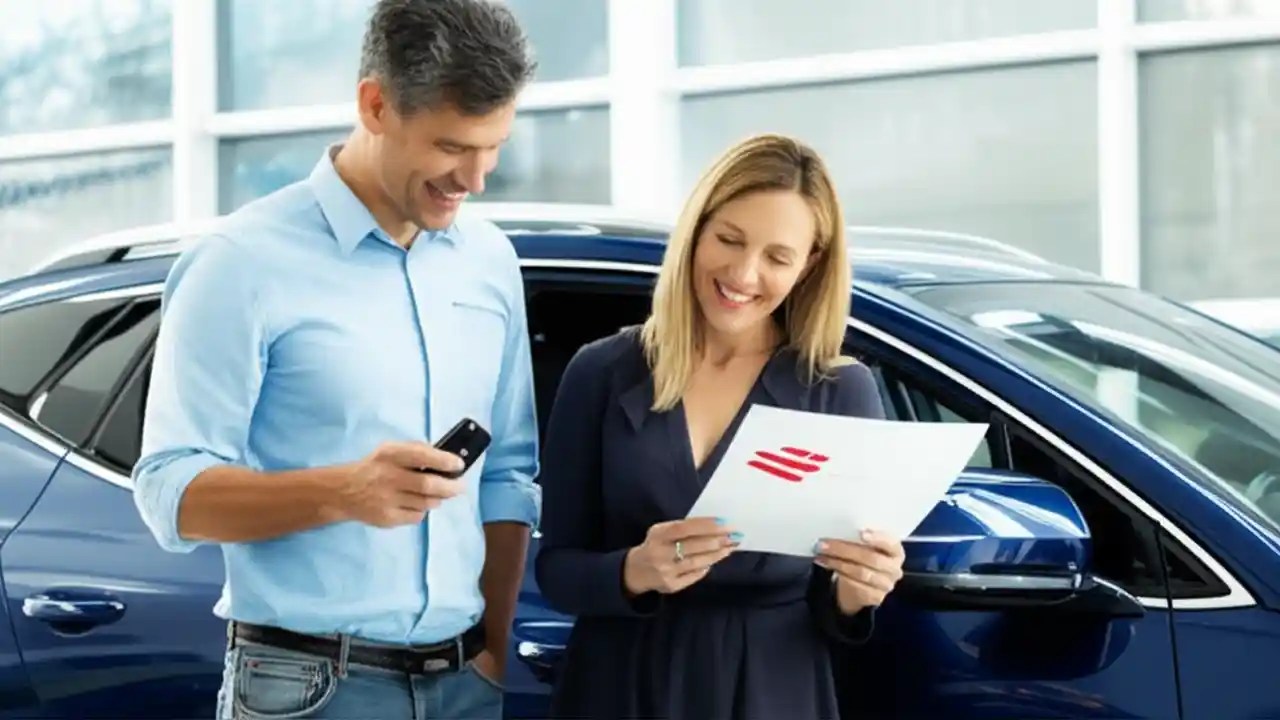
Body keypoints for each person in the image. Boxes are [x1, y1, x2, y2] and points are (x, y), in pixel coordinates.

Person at [131, 1, 540, 718]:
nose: (475, 179)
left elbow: (507, 475)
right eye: (452, 146)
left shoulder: (490, 264)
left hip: (464, 689)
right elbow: (170, 493)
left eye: (493, 147)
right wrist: (343, 492)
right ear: (376, 104)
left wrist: (491, 659)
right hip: (308, 689)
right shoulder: (240, 263)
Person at [534, 133, 908, 719]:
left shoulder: (839, 390)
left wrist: (859, 592)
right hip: (620, 686)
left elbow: (834, 604)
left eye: (777, 257)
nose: (743, 273)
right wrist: (634, 569)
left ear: (810, 264)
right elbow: (556, 569)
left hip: (770, 689)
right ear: (696, 231)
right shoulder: (602, 371)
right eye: (729, 240)